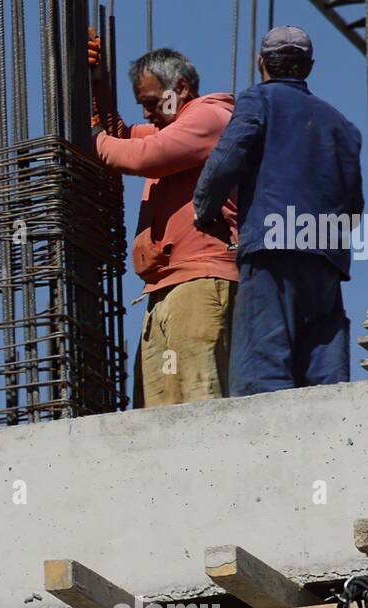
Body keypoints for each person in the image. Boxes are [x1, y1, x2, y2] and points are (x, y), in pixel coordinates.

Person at [192, 25, 364, 396]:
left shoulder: (258, 101)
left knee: (263, 370)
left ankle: (268, 452)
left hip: (273, 247)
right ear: (310, 67)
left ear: (261, 64)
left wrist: (204, 210)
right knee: (325, 378)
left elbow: (227, 160)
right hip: (325, 257)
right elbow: (354, 203)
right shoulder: (343, 126)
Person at [90, 36, 241, 409]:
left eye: (152, 104)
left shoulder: (209, 117)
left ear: (181, 89)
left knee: (197, 402)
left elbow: (142, 155)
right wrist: (95, 82)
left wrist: (93, 139)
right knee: (157, 414)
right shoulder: (172, 127)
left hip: (201, 281)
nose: (146, 114)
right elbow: (122, 135)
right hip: (166, 286)